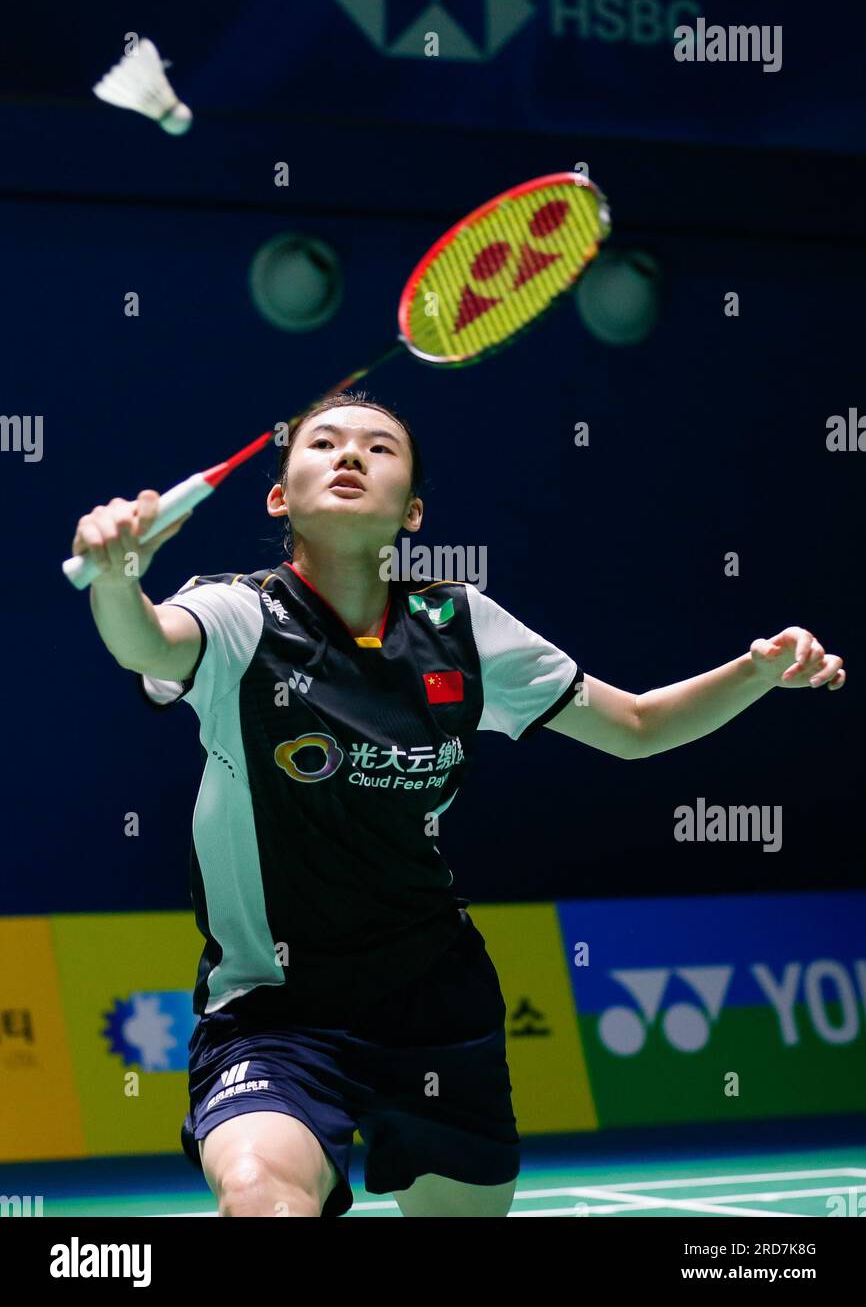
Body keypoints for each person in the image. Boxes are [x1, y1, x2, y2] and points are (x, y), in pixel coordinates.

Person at [74, 390, 845, 1217]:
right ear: (278, 494)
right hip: (275, 1010)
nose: (348, 456)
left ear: (412, 514)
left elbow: (636, 726)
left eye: (379, 448)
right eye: (324, 443)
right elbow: (144, 642)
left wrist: (756, 672)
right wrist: (117, 576)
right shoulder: (239, 617)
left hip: (433, 1005)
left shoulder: (459, 626)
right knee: (261, 1197)